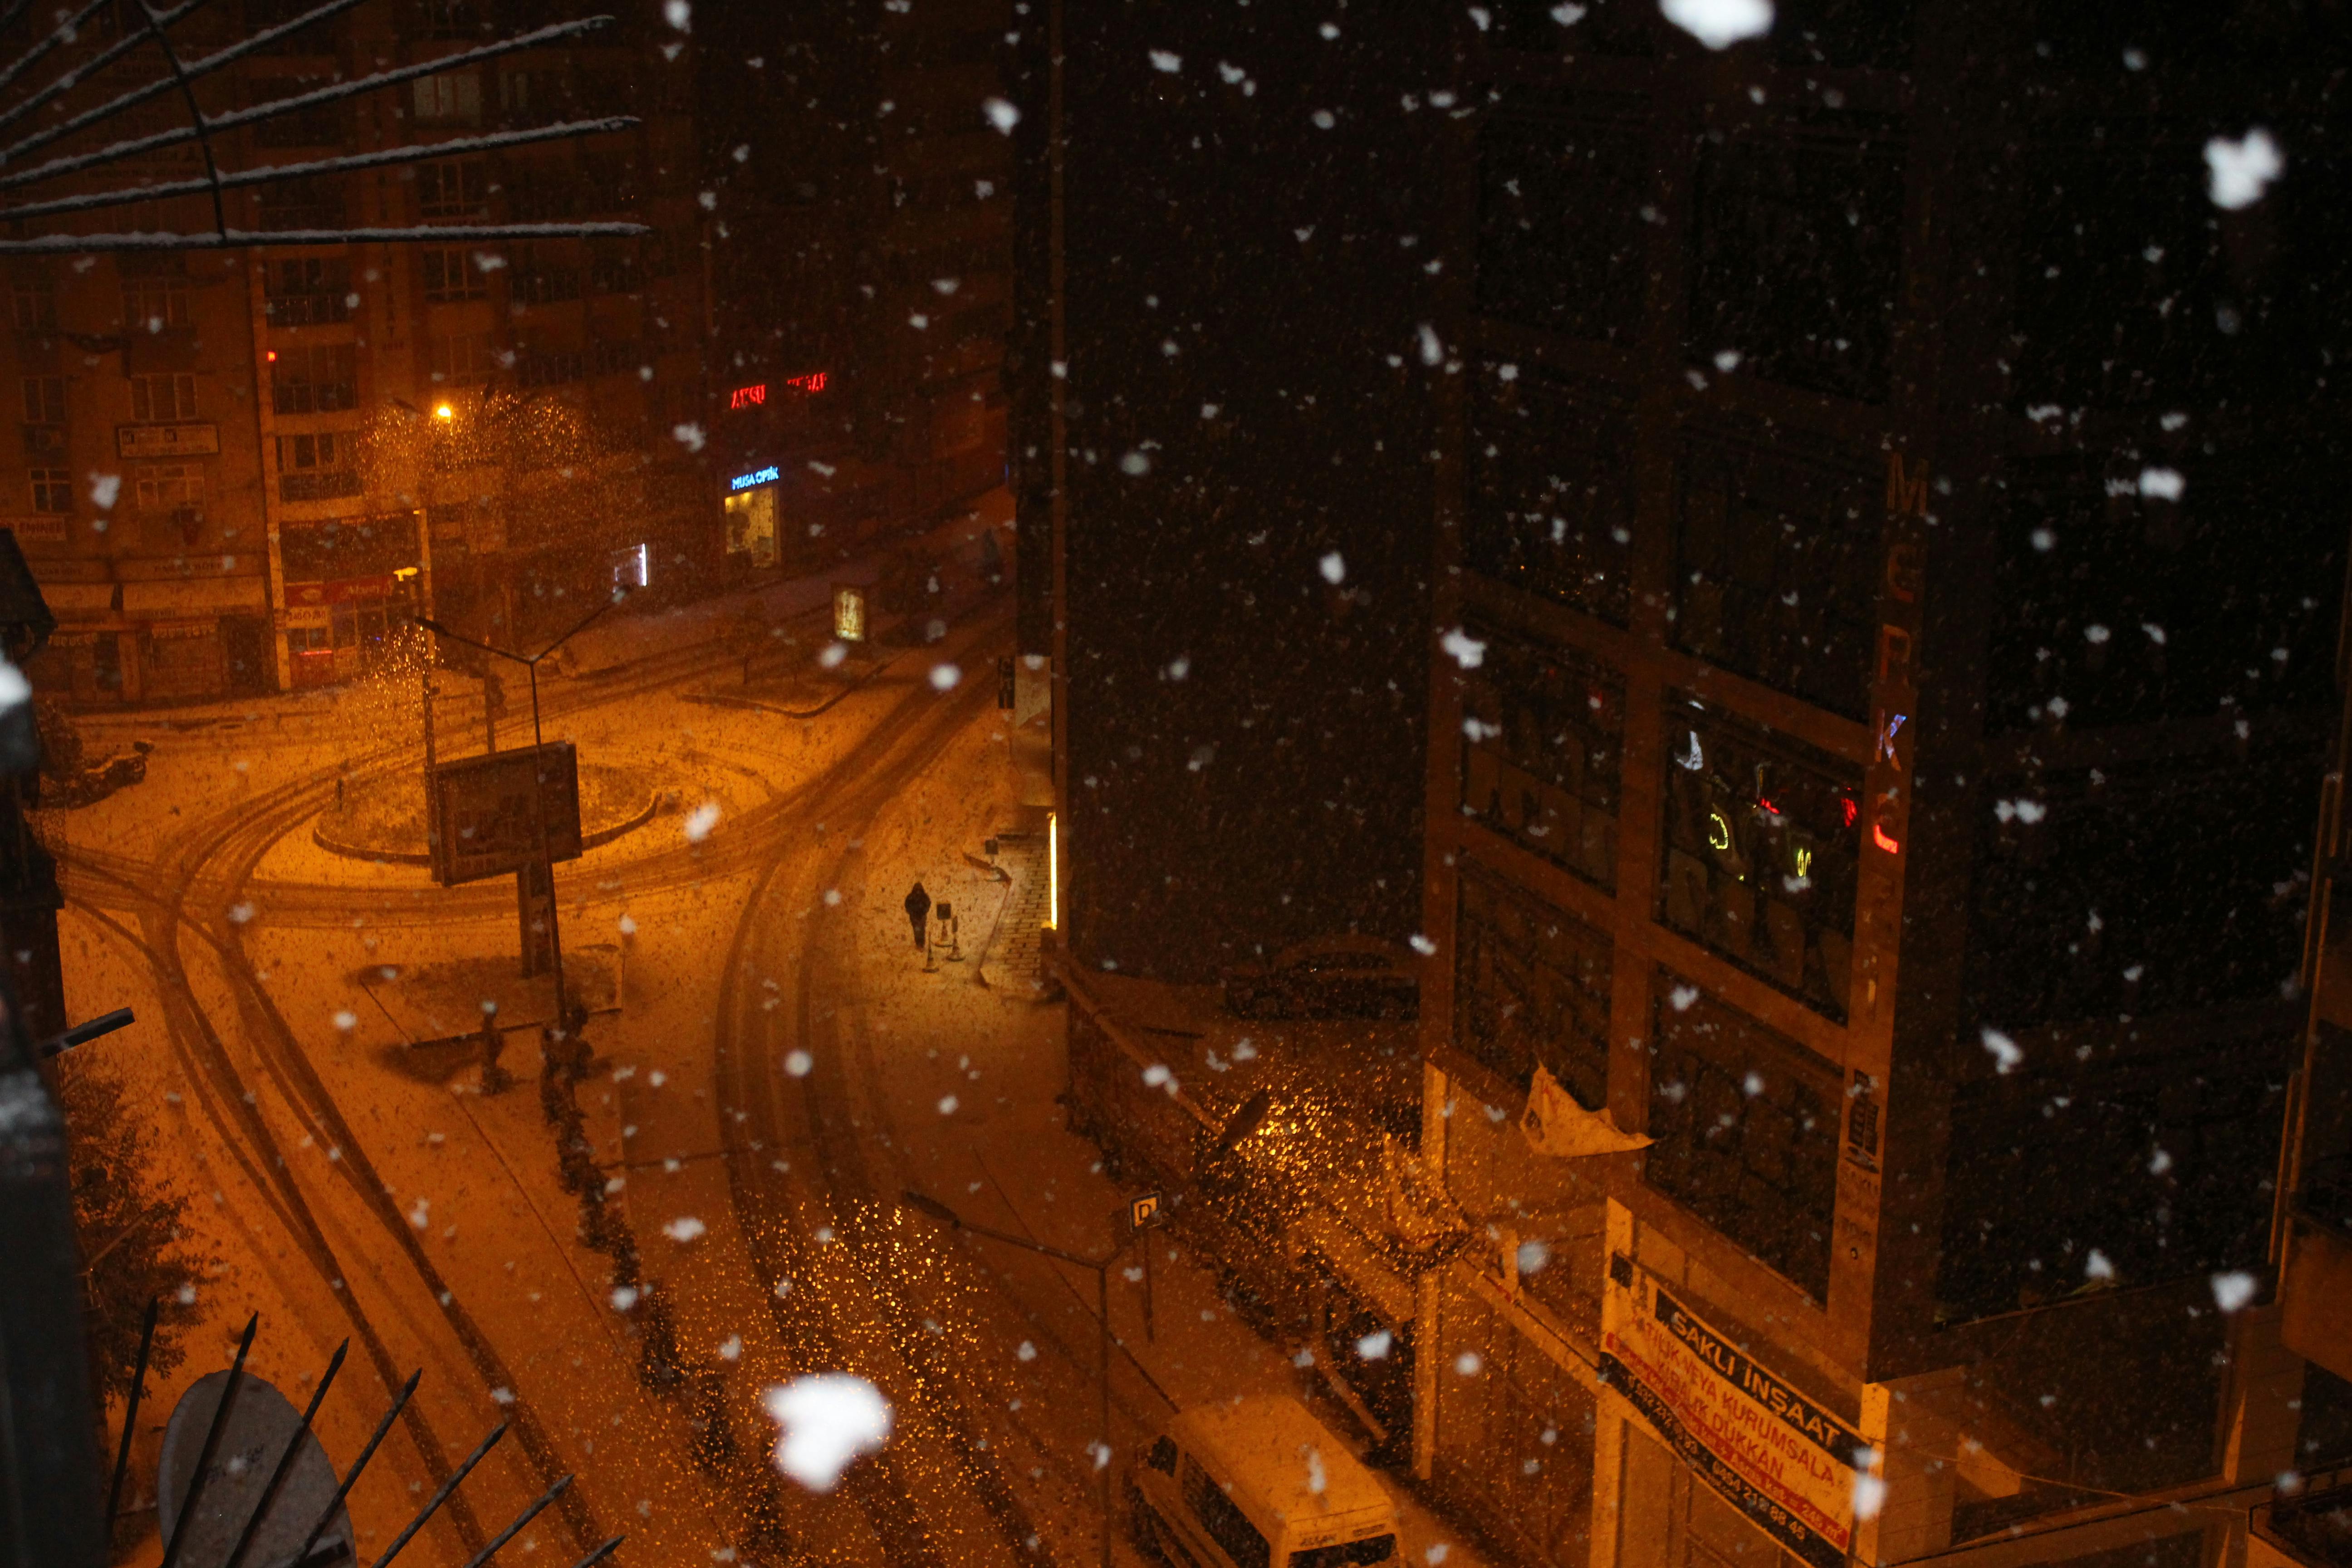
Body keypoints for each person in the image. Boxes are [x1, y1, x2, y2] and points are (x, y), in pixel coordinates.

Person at [903, 881, 932, 951]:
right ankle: (918, 943)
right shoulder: (911, 897)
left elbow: (928, 904)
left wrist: (924, 911)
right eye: (917, 890)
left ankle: (922, 944)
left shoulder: (924, 897)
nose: (918, 891)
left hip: (922, 916)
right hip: (914, 917)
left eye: (919, 890)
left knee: (922, 930)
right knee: (917, 931)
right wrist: (911, 912)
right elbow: (907, 905)